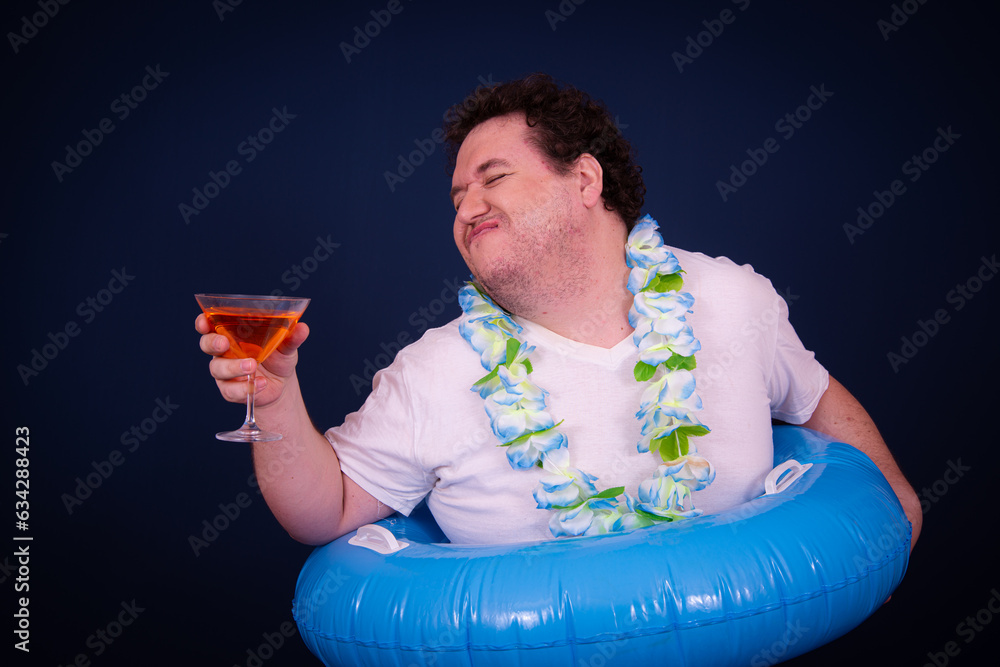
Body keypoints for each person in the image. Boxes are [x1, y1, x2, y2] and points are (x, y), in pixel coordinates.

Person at [195, 74, 922, 548]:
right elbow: (326, 510)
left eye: (494, 178)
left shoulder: (729, 298)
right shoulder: (431, 372)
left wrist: (899, 506)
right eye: (455, 198)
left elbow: (819, 398)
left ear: (584, 179)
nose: (467, 207)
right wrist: (276, 395)